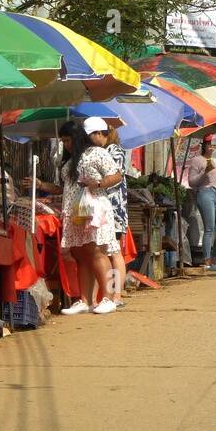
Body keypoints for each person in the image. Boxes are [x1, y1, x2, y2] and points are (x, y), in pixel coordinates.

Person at [54, 119, 122, 315]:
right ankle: (85, 300)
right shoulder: (68, 160)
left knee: (97, 252)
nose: (66, 144)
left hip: (94, 210)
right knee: (81, 255)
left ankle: (108, 297)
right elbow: (64, 186)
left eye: (68, 140)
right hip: (75, 211)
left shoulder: (97, 153)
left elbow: (117, 175)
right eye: (63, 141)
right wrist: (42, 185)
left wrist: (98, 184)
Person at [90, 124, 128, 308]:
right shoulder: (103, 150)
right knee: (104, 251)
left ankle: (117, 294)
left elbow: (114, 177)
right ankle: (107, 294)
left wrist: (96, 183)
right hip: (103, 207)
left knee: (114, 252)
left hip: (114, 207)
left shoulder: (115, 151)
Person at [187, 134, 216, 271]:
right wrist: (205, 172)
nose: (212, 147)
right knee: (209, 227)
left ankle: (215, 256)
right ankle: (207, 261)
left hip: (215, 193)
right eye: (210, 144)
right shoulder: (196, 161)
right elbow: (192, 182)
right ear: (204, 145)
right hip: (204, 193)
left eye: (215, 144)